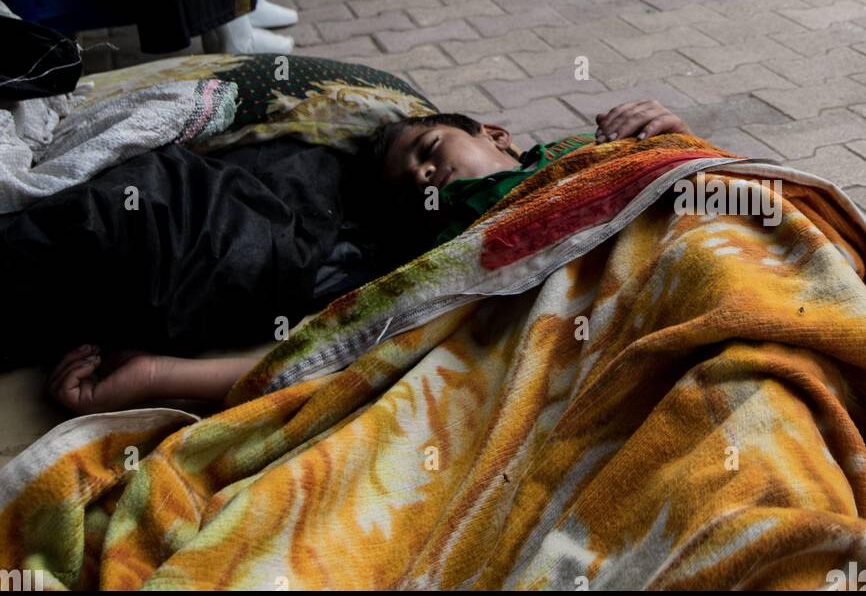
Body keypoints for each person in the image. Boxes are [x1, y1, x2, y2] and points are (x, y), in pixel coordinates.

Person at [45, 99, 687, 414]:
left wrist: (671, 135)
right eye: (410, 180)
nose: (424, 173)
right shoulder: (446, 258)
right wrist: (156, 378)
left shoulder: (590, 155)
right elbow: (350, 355)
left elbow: (699, 184)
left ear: (494, 134)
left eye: (431, 147)